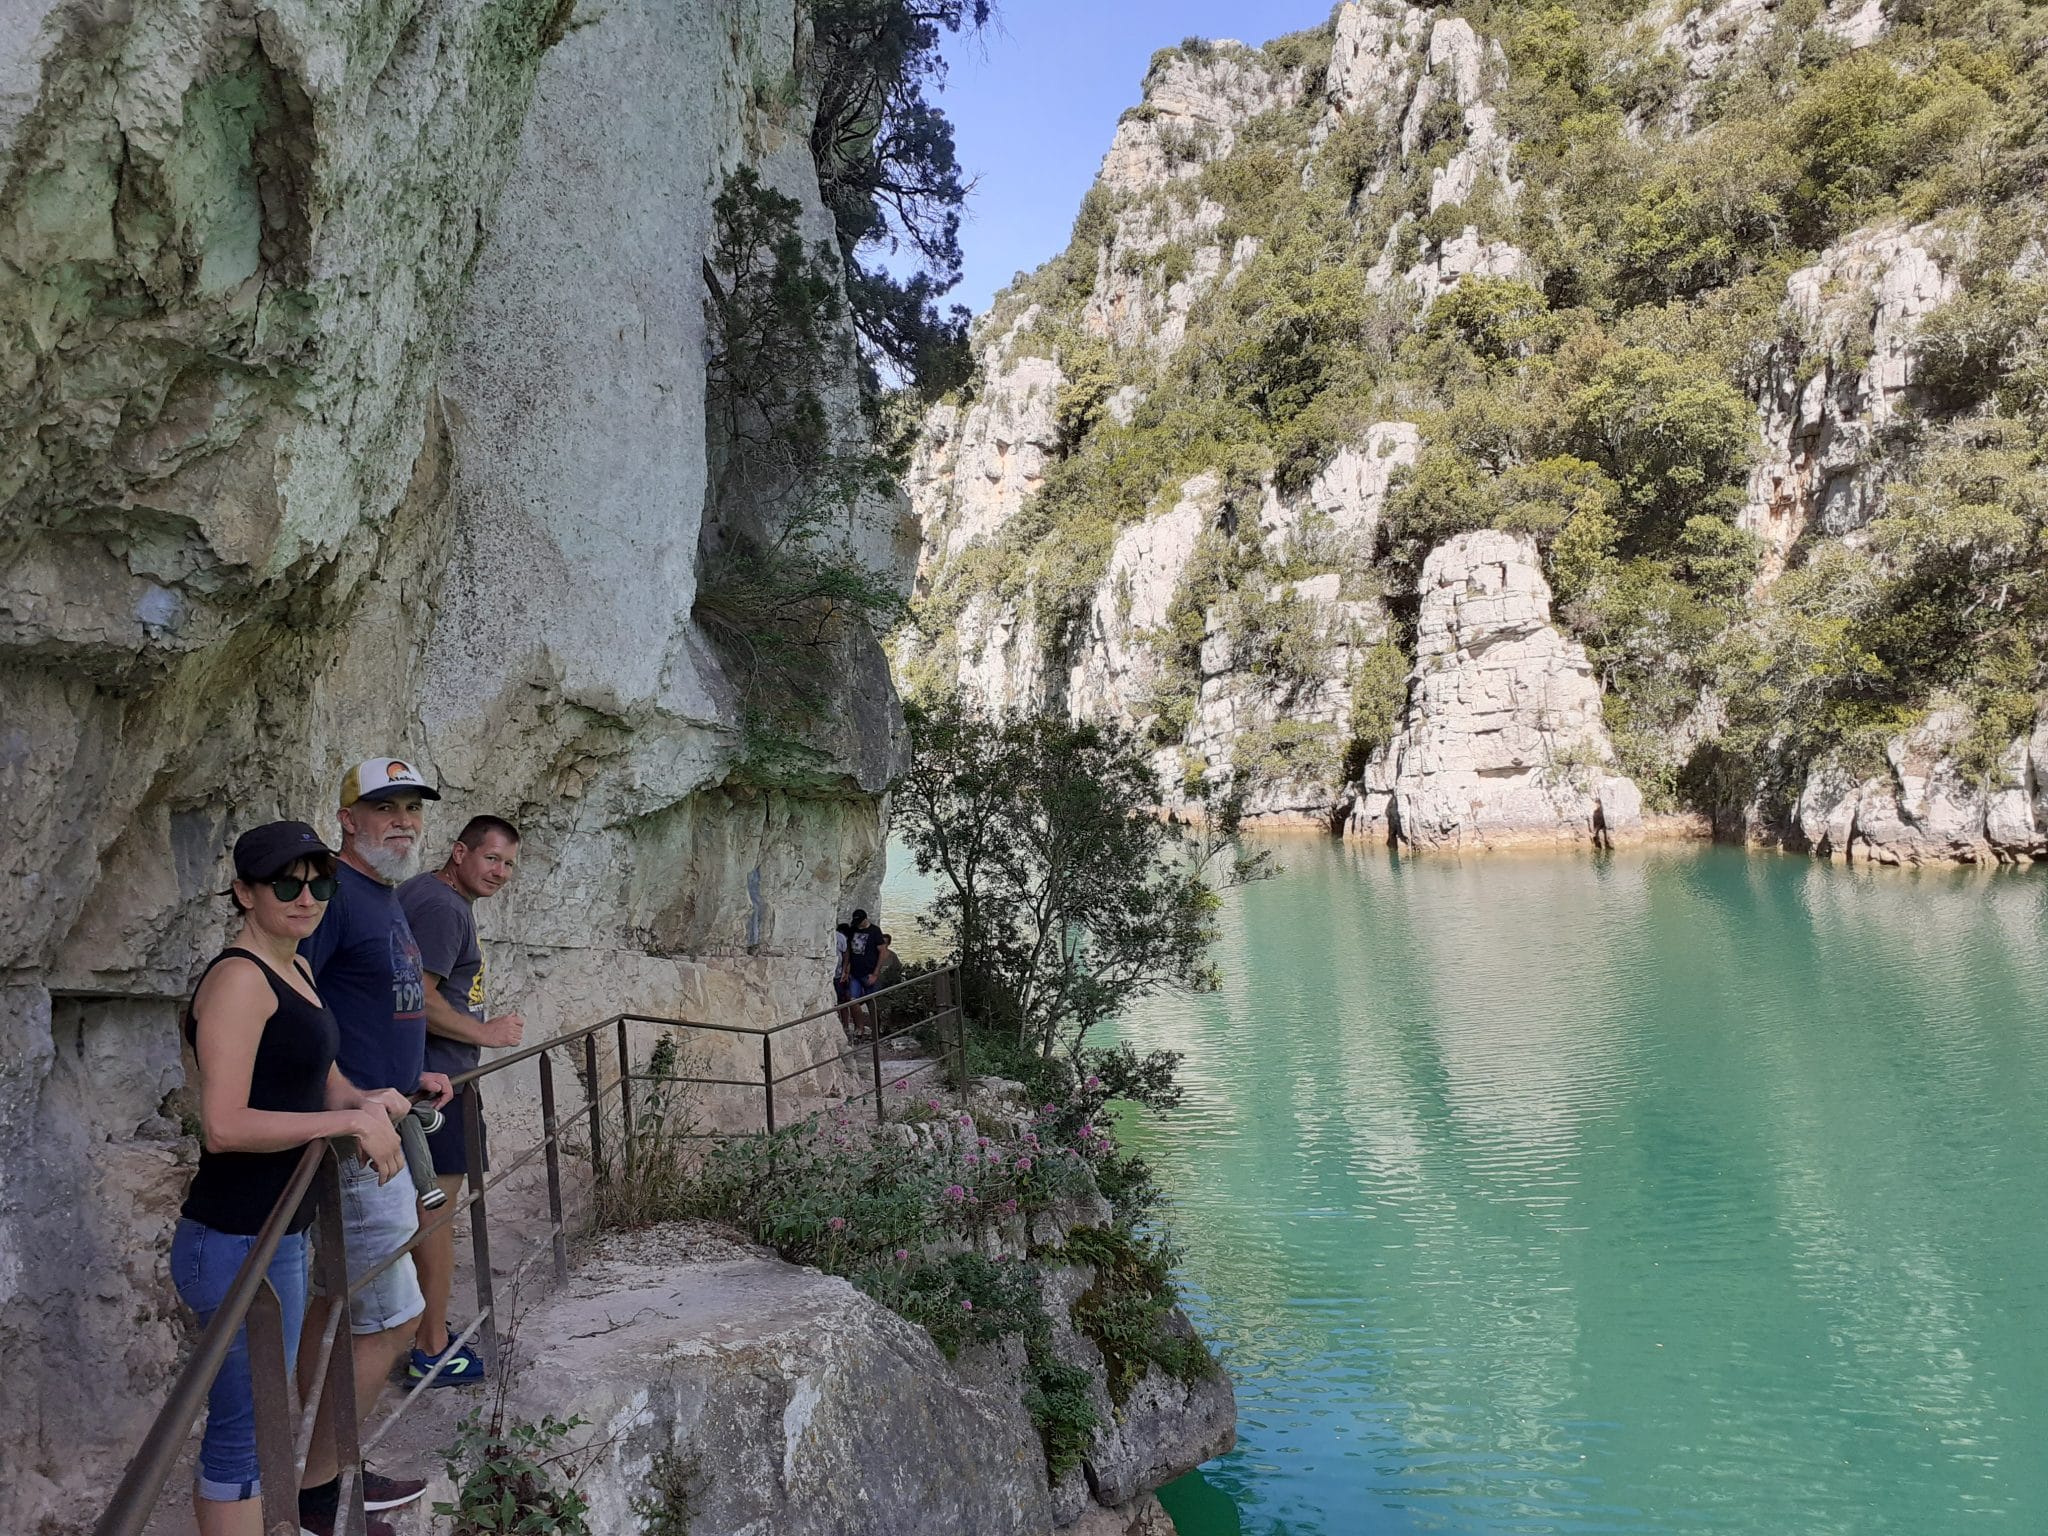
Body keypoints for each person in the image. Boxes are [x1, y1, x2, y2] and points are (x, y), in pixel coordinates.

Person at [173, 822, 407, 1536]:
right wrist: (346, 1123)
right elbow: (224, 1125)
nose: (306, 897)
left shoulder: (295, 967)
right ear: (245, 893)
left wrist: (366, 1101)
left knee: (266, 1417)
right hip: (234, 1236)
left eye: (320, 882)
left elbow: (320, 1077)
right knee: (243, 1430)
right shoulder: (239, 981)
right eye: (286, 884)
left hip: (280, 1230)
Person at [295, 758, 451, 1535]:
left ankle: (320, 1462)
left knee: (338, 1309)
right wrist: (351, 1098)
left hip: (385, 1120)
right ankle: (319, 1492)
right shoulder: (330, 896)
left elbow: (364, 1003)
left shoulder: (381, 895)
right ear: (347, 818)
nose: (403, 822)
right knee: (391, 1321)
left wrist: (409, 1071)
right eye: (385, 807)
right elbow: (291, 1007)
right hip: (359, 1146)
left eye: (412, 809)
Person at [397, 815, 525, 1386]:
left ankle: (419, 1330)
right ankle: (430, 1346)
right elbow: (418, 998)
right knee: (436, 1215)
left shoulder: (426, 895)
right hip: (439, 1086)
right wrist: (485, 1033)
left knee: (427, 1214)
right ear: (459, 852)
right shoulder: (443, 908)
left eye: (508, 864)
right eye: (491, 858)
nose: (500, 872)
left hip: (429, 1080)